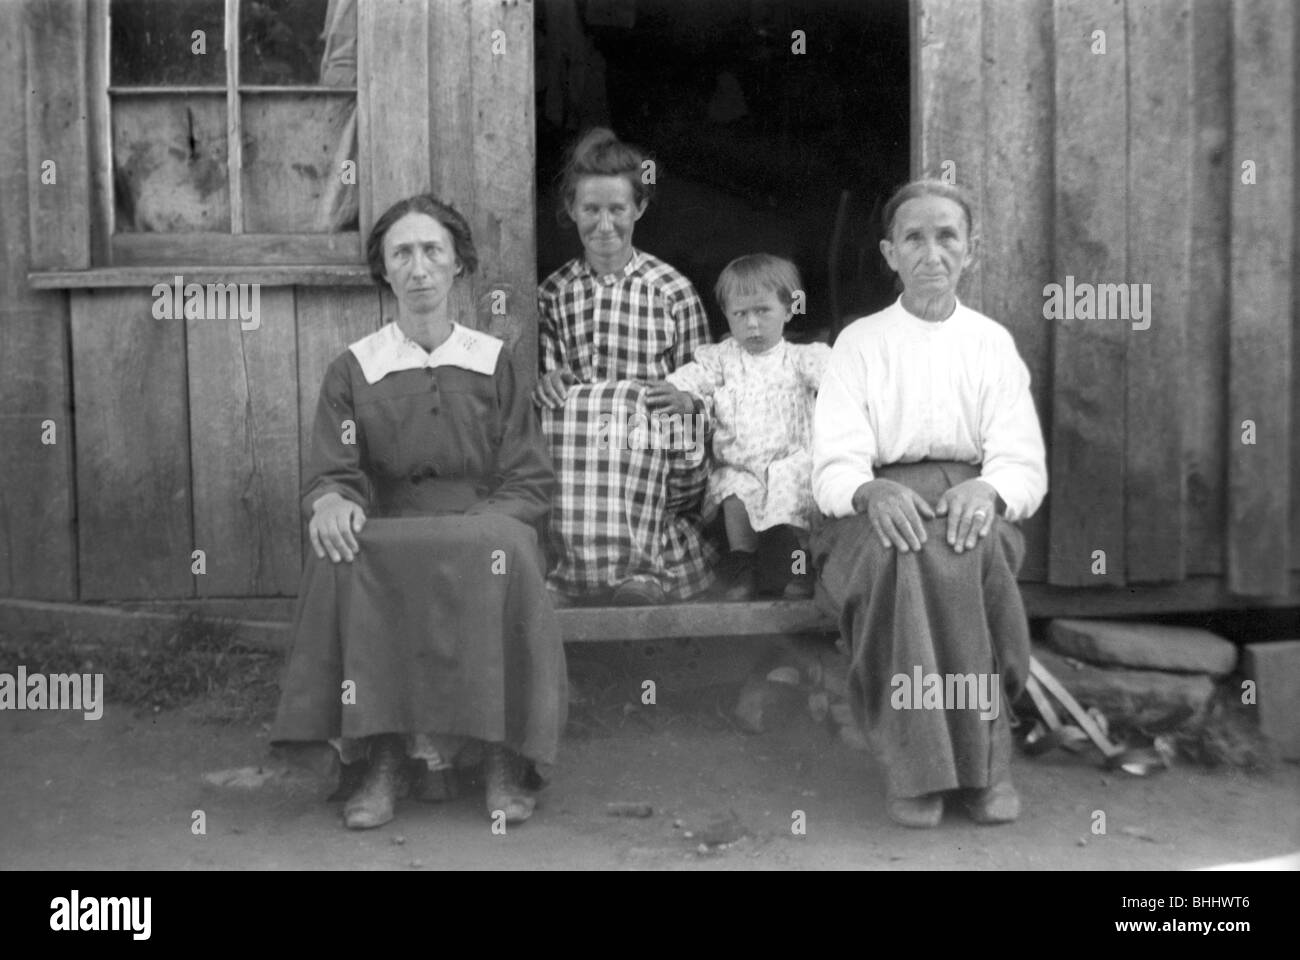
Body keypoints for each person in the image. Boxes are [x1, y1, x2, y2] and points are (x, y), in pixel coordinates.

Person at [271, 194, 567, 830]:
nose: (419, 267)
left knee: (502, 549)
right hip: (392, 526)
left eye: (433, 250)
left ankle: (500, 756)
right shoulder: (356, 368)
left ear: (458, 263)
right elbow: (334, 469)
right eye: (401, 253)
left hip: (484, 520)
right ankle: (379, 756)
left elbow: (528, 474)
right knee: (342, 554)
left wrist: (485, 521)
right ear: (384, 270)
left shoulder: (492, 361)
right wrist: (331, 500)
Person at [811, 179, 1047, 828]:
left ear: (971, 250)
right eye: (913, 238)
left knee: (972, 550)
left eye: (947, 236)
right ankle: (915, 771)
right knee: (904, 557)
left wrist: (988, 488)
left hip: (969, 497)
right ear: (890, 254)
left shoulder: (990, 343)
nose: (931, 252)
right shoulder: (859, 343)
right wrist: (871, 489)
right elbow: (833, 465)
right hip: (872, 507)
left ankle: (984, 769)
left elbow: (1021, 461)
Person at [534, 127, 715, 606]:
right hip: (577, 479)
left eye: (617, 209)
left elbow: (706, 390)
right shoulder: (552, 294)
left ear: (639, 207)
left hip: (654, 470)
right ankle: (571, 571)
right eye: (590, 209)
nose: (604, 224)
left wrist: (686, 402)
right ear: (571, 209)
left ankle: (642, 569)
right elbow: (548, 389)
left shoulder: (672, 291)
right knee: (569, 409)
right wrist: (549, 381)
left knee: (634, 403)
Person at [658, 254, 830, 600]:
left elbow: (842, 380)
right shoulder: (722, 360)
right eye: (740, 314)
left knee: (795, 502)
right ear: (727, 315)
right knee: (734, 495)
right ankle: (743, 570)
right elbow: (691, 379)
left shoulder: (800, 359)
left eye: (763, 311)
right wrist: (679, 394)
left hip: (790, 460)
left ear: (789, 309)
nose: (752, 324)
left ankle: (802, 571)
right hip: (739, 464)